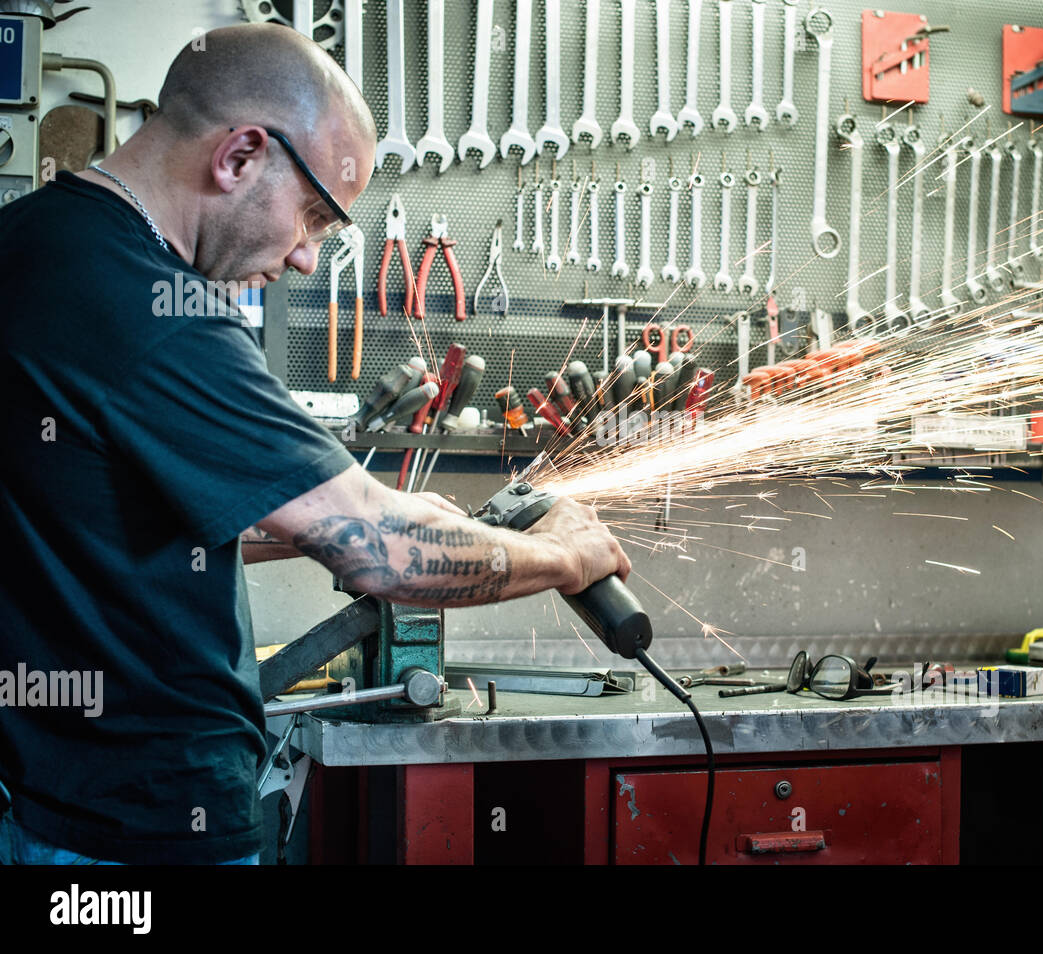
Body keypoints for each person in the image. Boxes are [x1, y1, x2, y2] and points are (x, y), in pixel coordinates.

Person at [0, 24, 629, 865]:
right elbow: (388, 559)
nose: (304, 259)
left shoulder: (32, 244)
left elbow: (98, 516)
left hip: (46, 803)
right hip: (141, 828)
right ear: (241, 157)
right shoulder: (158, 314)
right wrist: (564, 555)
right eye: (312, 217)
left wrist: (319, 519)